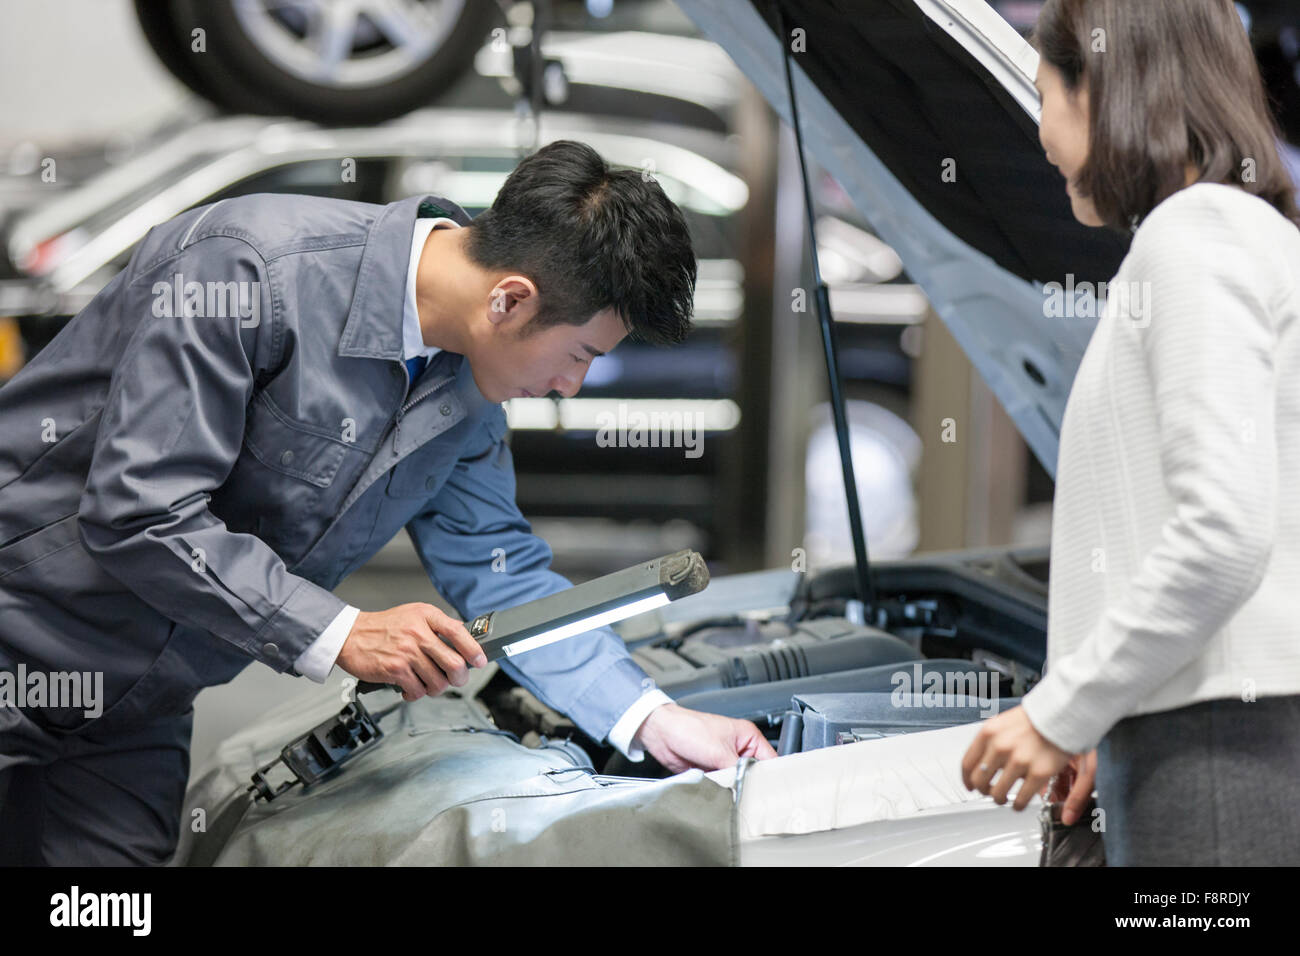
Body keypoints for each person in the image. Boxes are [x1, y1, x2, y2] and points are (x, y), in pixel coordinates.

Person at [0, 139, 775, 866]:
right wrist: (342, 633)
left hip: (136, 711)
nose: (570, 387)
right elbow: (141, 509)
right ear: (510, 299)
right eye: (579, 355)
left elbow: (502, 574)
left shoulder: (464, 399)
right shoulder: (249, 271)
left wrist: (653, 720)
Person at [961, 0, 1300, 865]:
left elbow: (1222, 535)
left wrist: (1059, 710)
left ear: (1109, 90)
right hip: (1219, 739)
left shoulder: (1196, 239)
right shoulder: (1236, 234)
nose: (1039, 134)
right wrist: (1101, 711)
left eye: (1047, 96)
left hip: (1218, 755)